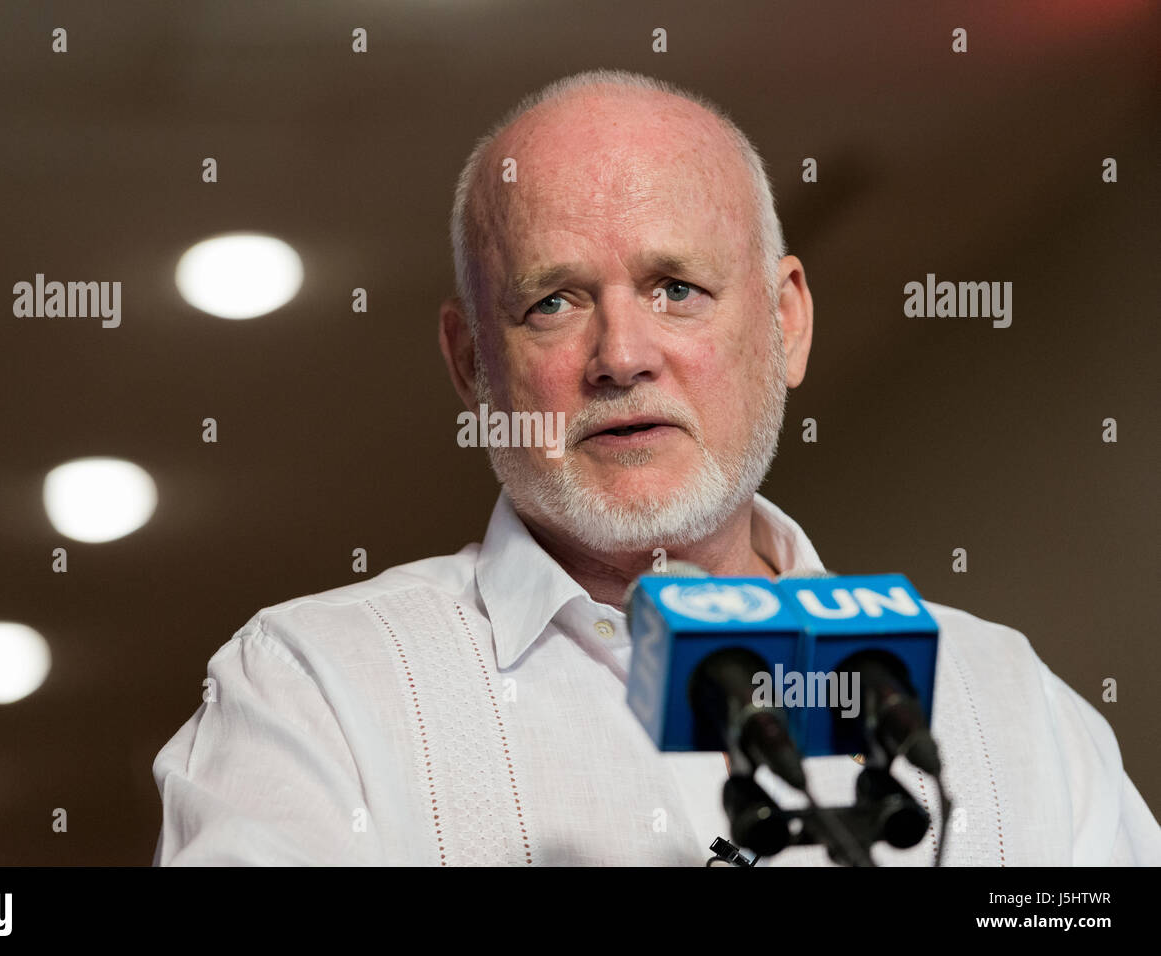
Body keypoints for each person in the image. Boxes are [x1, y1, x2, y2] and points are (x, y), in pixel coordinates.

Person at [152, 68, 1161, 866]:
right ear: (472, 365)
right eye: (553, 301)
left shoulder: (1007, 705)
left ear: (786, 321)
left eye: (676, 287)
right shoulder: (318, 692)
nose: (622, 355)